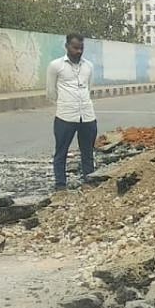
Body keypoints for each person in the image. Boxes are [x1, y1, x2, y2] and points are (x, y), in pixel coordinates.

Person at [45, 33, 97, 190]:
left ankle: (89, 180)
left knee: (87, 152)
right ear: (67, 46)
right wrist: (66, 103)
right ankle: (60, 185)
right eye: (75, 47)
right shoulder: (56, 66)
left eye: (81, 48)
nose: (79, 51)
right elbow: (50, 92)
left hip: (87, 116)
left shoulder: (89, 66)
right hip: (65, 117)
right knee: (61, 152)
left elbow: (89, 88)